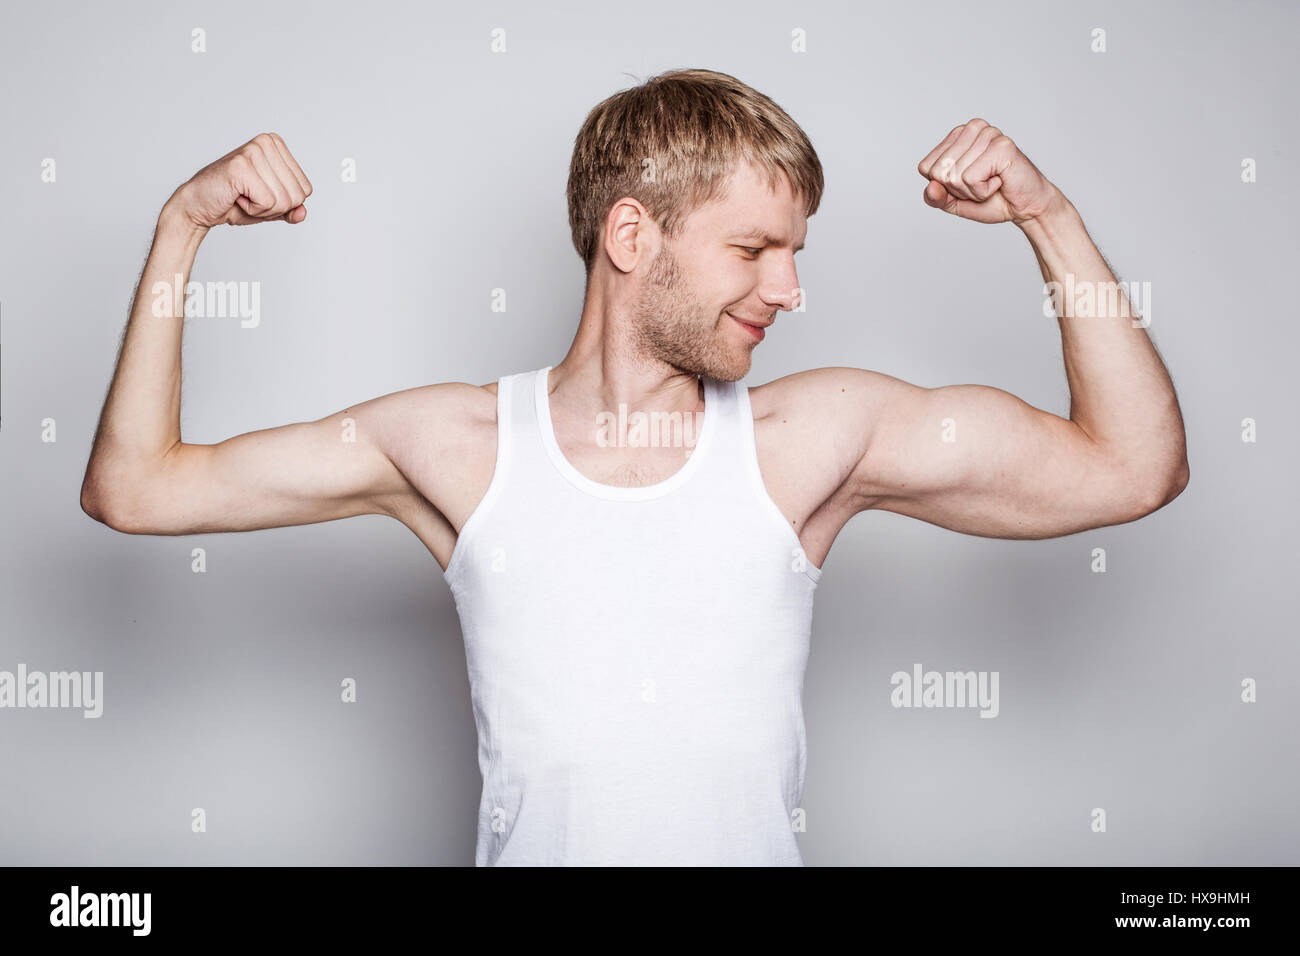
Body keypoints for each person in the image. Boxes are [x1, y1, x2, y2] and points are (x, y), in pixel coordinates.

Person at [80, 68, 1188, 866]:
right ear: (630, 238)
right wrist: (182, 227)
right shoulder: (456, 448)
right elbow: (135, 487)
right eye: (753, 249)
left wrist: (1048, 217)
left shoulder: (808, 442)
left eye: (796, 252)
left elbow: (1132, 467)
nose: (788, 288)